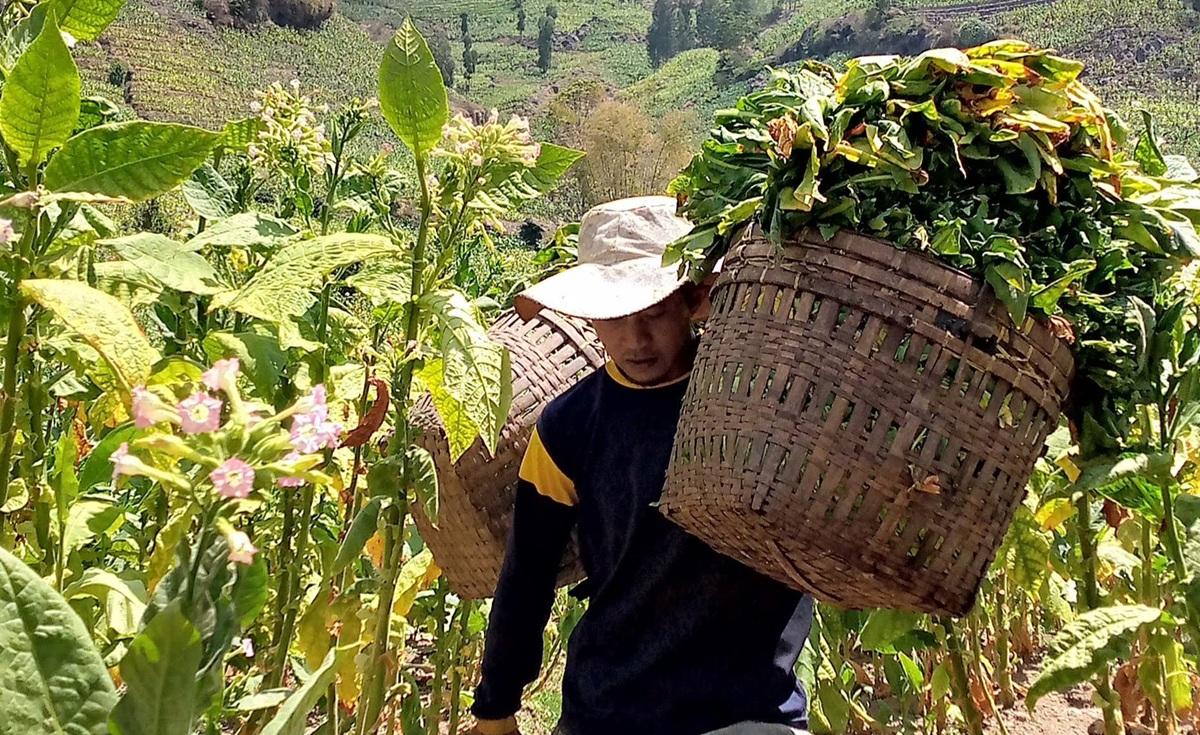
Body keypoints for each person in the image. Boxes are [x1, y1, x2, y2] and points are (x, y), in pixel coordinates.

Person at [468, 196, 813, 735]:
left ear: (691, 301)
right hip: (611, 707)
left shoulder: (757, 401)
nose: (635, 340)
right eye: (614, 319)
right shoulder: (567, 427)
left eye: (653, 313)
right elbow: (527, 575)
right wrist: (496, 705)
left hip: (747, 708)